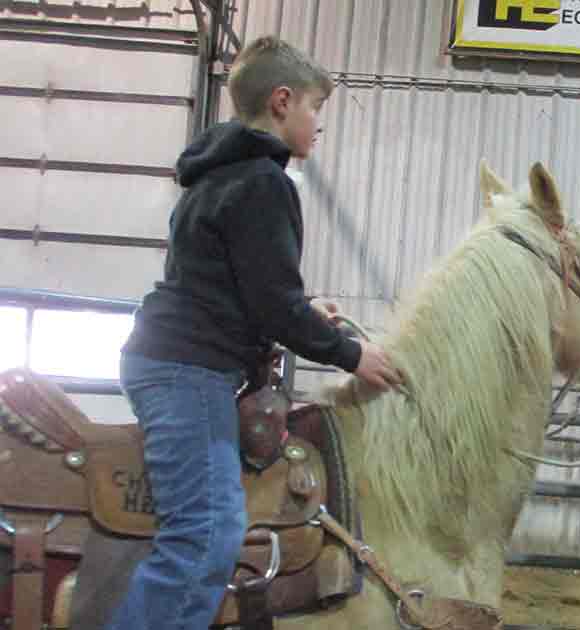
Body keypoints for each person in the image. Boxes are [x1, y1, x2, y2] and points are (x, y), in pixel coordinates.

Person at [106, 36, 403, 630]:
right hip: (189, 370)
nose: (319, 123)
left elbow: (237, 287)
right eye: (315, 107)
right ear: (282, 101)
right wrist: (351, 354)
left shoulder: (216, 177)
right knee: (206, 534)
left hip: (177, 359)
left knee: (206, 528)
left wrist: (303, 308)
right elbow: (271, 308)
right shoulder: (265, 182)